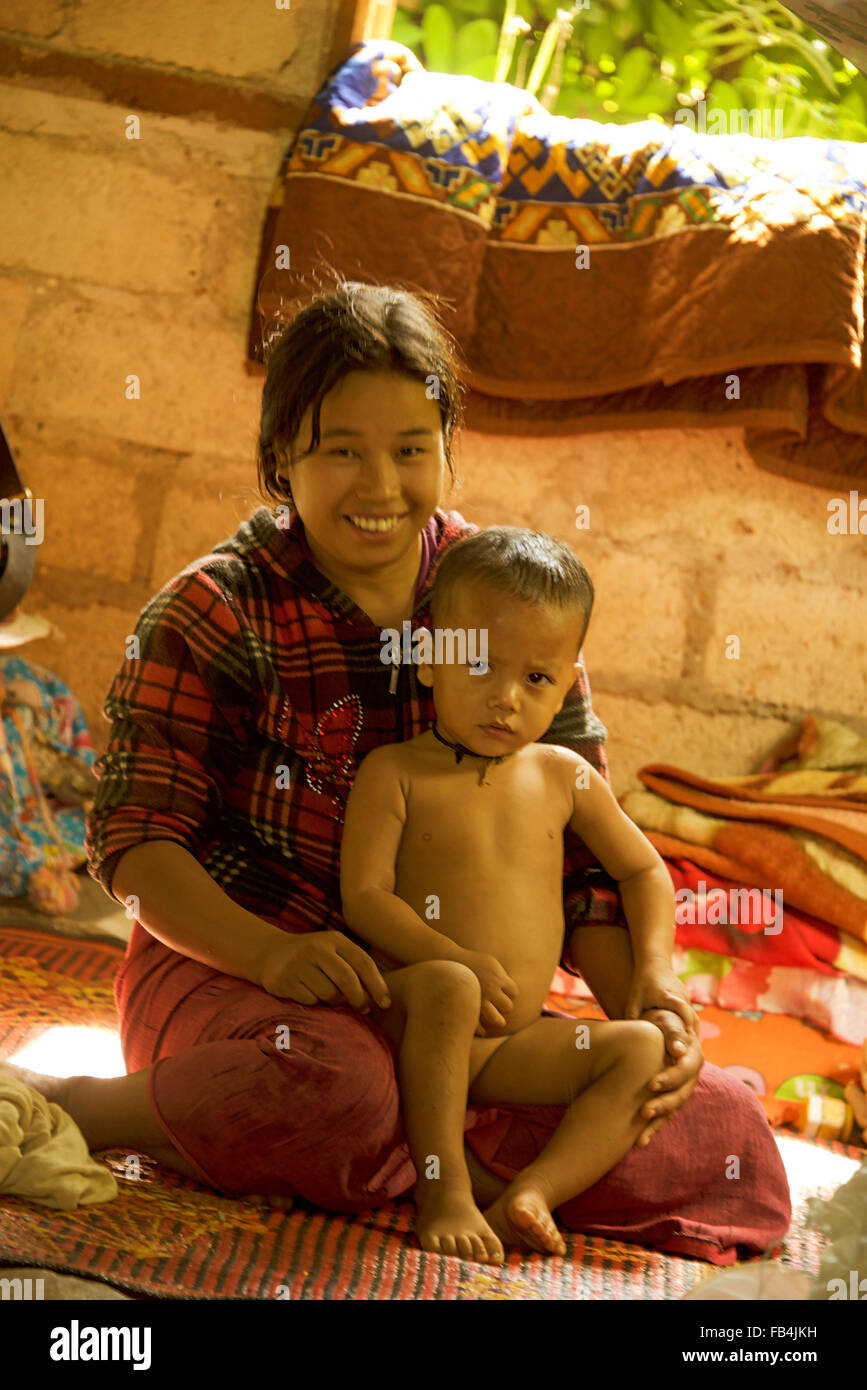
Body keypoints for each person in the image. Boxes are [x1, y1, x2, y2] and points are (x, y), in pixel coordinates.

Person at [1, 282, 789, 1263]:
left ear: (448, 447)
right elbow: (136, 848)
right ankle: (91, 1104)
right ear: (281, 456)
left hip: (464, 1015)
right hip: (243, 981)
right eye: (341, 449)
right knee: (336, 1089)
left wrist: (651, 1013)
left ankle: (444, 1171)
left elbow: (590, 873)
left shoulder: (508, 606)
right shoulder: (212, 611)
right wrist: (271, 955)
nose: (380, 484)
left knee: (724, 1134)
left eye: (411, 447)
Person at [340, 526, 697, 1265]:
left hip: (513, 1039)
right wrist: (454, 957)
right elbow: (366, 899)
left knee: (639, 1045)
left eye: (536, 679)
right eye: (478, 664)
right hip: (410, 1016)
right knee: (446, 986)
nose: (505, 699)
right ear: (431, 658)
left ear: (566, 684)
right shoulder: (394, 771)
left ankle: (531, 1195)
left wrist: (655, 972)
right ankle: (445, 1190)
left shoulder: (563, 775)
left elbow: (643, 872)